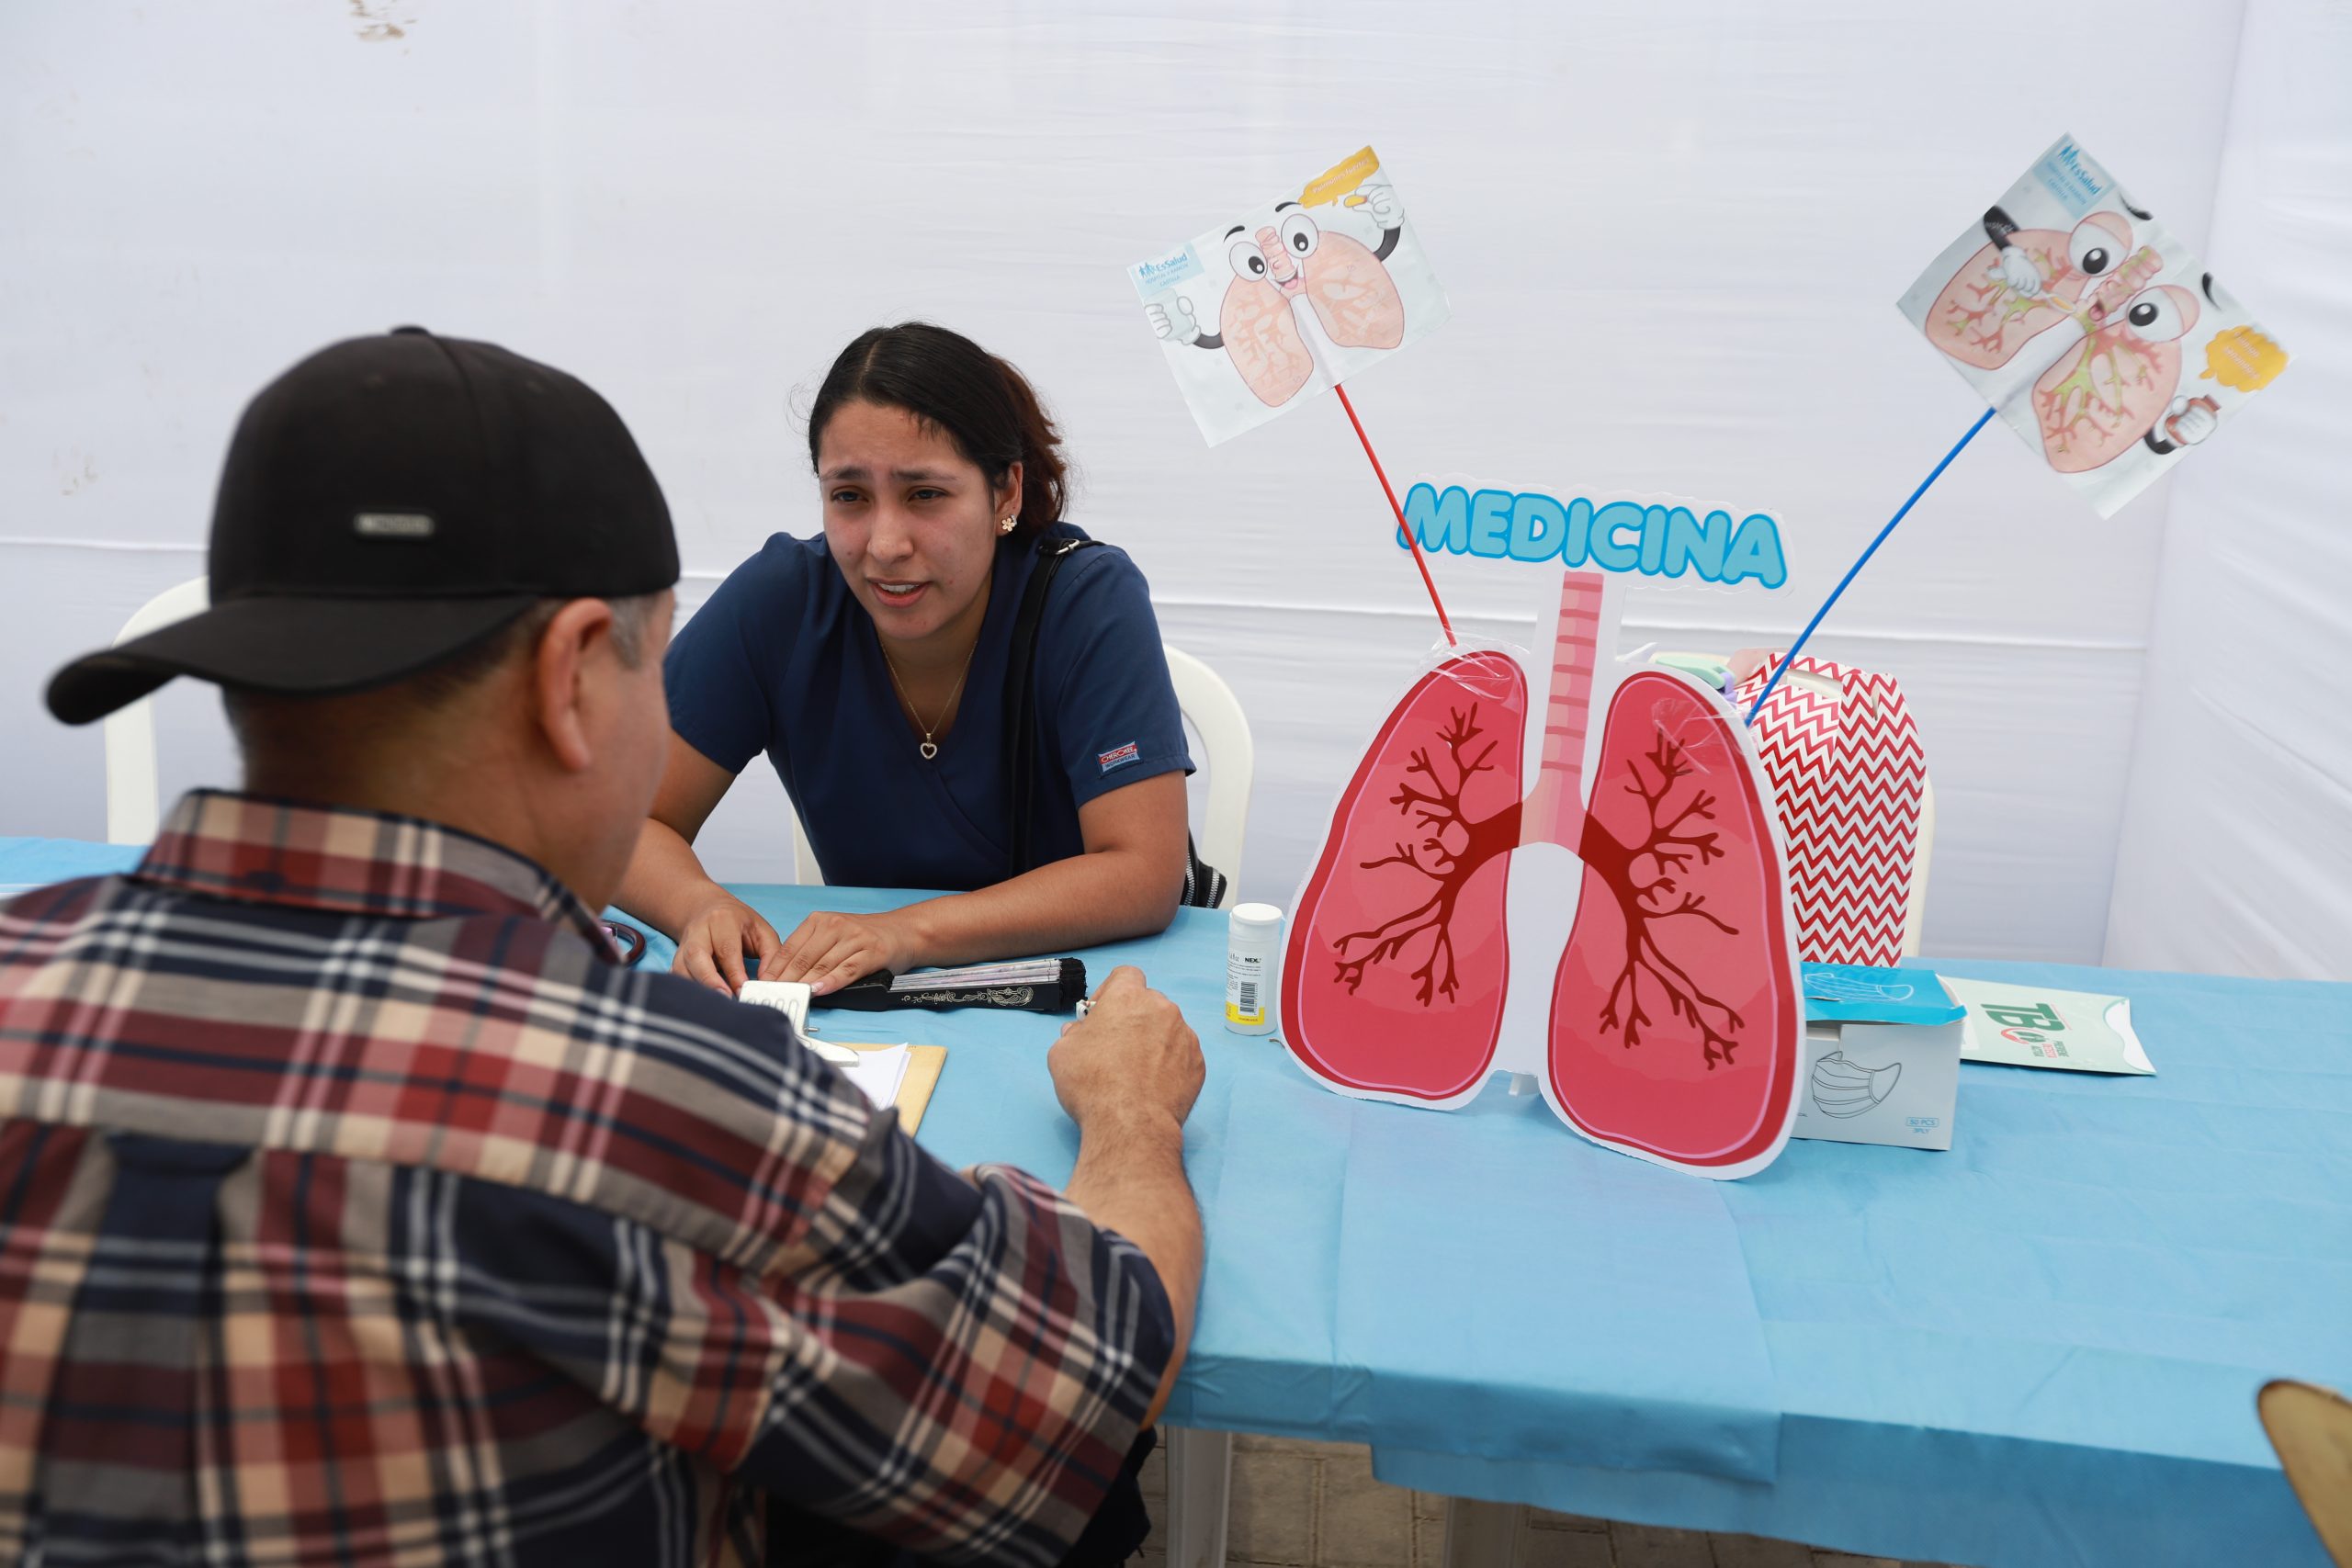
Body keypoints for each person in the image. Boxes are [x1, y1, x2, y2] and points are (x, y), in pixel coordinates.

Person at [4, 328, 1204, 1567]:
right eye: (655, 658)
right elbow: (1086, 1378)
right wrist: (1131, 1119)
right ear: (574, 674)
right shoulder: (670, 1095)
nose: (884, 540)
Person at [620, 322, 1196, 997]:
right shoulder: (781, 601)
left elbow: (1142, 874)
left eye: (925, 494)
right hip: (864, 1015)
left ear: (1005, 492)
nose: (885, 543)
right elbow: (620, 817)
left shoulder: (1088, 600)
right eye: (849, 496)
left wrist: (907, 933)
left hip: (1090, 998)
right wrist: (697, 903)